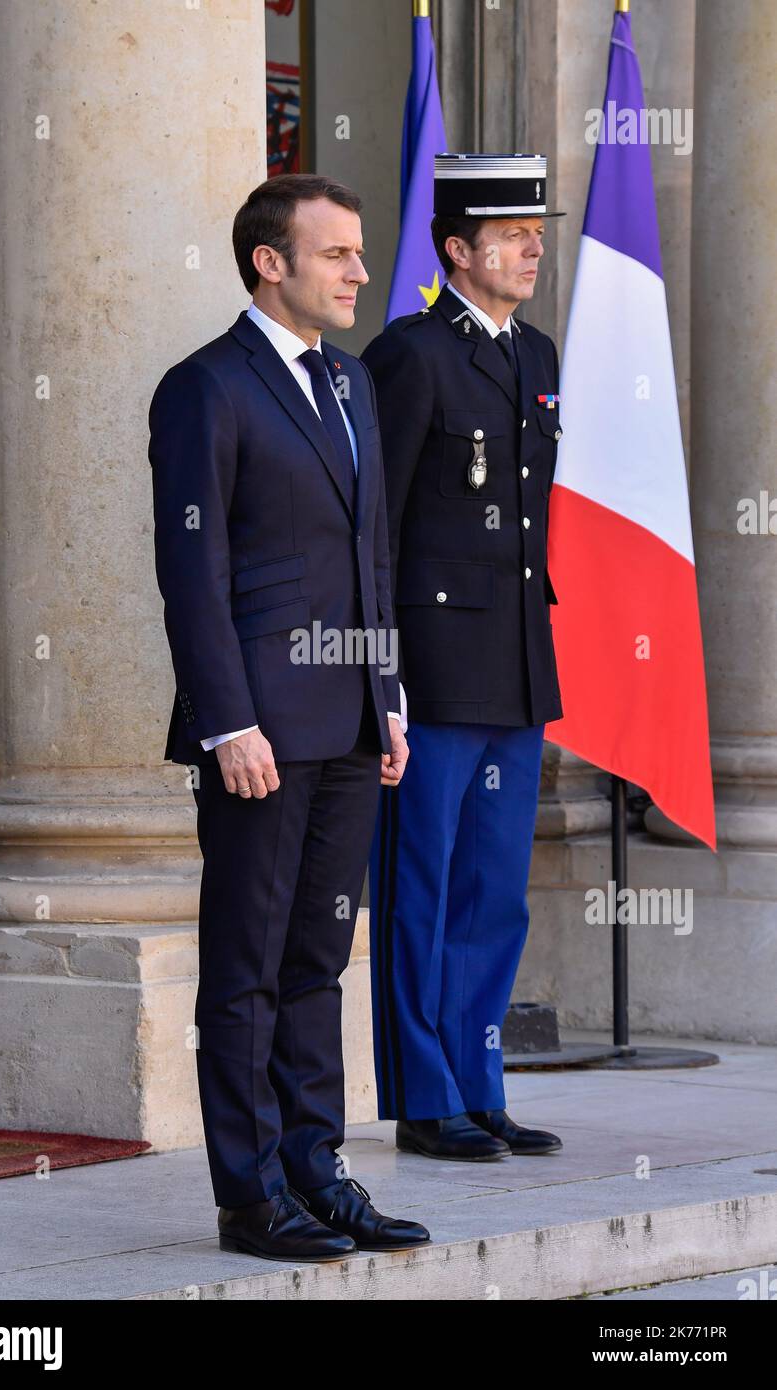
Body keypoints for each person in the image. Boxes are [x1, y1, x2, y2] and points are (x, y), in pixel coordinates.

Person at [148, 173, 429, 1259]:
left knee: (319, 962)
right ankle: (250, 1194)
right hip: (258, 729)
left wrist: (388, 695)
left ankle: (320, 1173)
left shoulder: (354, 384)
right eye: (338, 254)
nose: (361, 271)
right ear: (270, 262)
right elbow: (192, 567)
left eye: (359, 252)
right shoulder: (203, 389)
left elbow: (373, 558)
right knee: (248, 964)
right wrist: (225, 721)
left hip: (352, 721)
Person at [362, 153, 565, 1161]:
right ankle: (423, 1094)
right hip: (433, 664)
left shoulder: (539, 356)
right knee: (421, 886)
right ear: (455, 249)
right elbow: (376, 528)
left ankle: (478, 1079)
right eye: (511, 233)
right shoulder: (407, 355)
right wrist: (379, 673)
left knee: (494, 888)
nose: (532, 246)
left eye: (537, 231)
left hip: (515, 660)